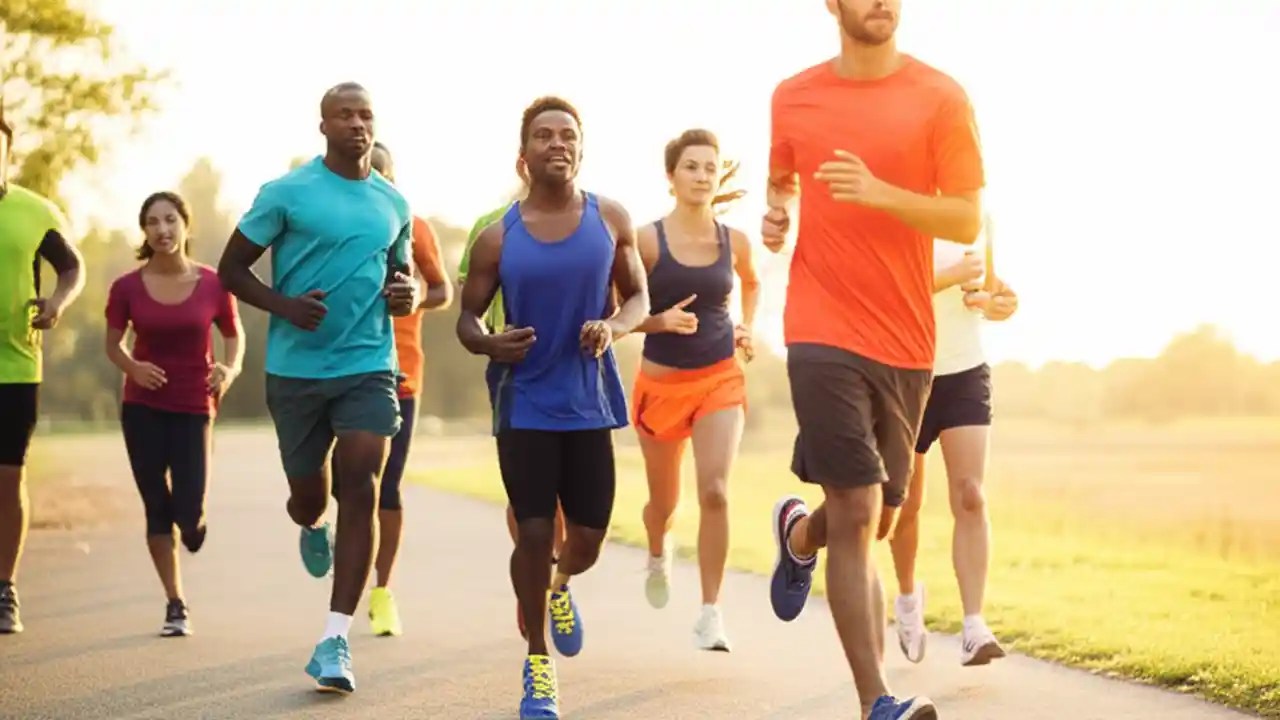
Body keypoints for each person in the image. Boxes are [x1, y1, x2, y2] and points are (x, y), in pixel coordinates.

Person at [762, 1, 985, 718]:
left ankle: (800, 535)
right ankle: (877, 703)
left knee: (877, 518)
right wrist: (776, 215)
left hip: (908, 340)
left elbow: (964, 217)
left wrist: (883, 193)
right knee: (858, 509)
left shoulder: (941, 97)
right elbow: (783, 181)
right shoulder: (793, 95)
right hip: (821, 326)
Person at [216, 82, 418, 694]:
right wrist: (283, 305)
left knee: (363, 481)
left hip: (368, 364)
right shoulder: (287, 194)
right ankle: (310, 522)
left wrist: (403, 293)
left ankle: (335, 638)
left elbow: (398, 273)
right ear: (323, 126)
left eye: (366, 115)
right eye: (345, 115)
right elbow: (230, 269)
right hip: (297, 370)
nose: (358, 124)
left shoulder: (394, 202)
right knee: (311, 494)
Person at [456, 95, 648, 720]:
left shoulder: (611, 219)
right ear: (524, 153)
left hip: (589, 401)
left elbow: (639, 298)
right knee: (535, 530)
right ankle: (538, 662)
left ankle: (560, 587)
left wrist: (614, 327)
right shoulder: (496, 238)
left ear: (581, 148)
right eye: (544, 135)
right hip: (526, 401)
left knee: (588, 537)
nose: (557, 142)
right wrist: (488, 342)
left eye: (568, 134)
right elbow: (466, 318)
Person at [633, 128, 759, 652]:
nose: (702, 175)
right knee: (664, 502)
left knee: (716, 491)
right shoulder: (645, 240)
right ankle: (659, 547)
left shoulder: (736, 241)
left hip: (719, 379)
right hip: (660, 386)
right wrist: (657, 322)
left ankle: (711, 612)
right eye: (691, 166)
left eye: (710, 167)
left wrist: (749, 325)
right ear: (671, 177)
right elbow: (616, 312)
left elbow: (751, 282)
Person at [104, 191, 244, 637]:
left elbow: (233, 337)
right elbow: (112, 343)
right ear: (143, 231)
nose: (162, 230)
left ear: (185, 224)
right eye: (152, 222)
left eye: (170, 220)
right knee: (155, 507)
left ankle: (194, 523)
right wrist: (134, 368)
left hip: (193, 406)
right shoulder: (126, 287)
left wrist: (229, 368)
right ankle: (175, 603)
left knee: (188, 512)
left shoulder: (213, 284)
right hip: (142, 408)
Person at [328, 140, 452, 638]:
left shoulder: (413, 226)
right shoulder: (328, 225)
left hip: (399, 372)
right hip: (335, 366)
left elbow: (442, 288)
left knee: (387, 486)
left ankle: (381, 591)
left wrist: (416, 293)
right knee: (342, 484)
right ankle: (321, 521)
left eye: (381, 174)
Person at [889, 213, 1017, 666]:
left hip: (964, 370)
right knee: (905, 504)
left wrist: (999, 302)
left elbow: (990, 290)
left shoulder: (980, 215)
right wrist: (949, 277)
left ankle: (973, 625)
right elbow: (885, 288)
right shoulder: (898, 206)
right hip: (904, 373)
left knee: (971, 496)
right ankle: (907, 597)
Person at [457, 155, 567, 640]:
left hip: (570, 366)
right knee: (529, 497)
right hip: (515, 371)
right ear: (524, 164)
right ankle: (536, 581)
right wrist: (491, 341)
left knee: (569, 497)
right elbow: (470, 305)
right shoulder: (491, 228)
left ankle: (557, 579)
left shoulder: (582, 222)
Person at [0, 108, 86, 635]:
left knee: (7, 479)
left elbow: (72, 266)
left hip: (14, 364)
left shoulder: (34, 211)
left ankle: (4, 588)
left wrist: (57, 301)